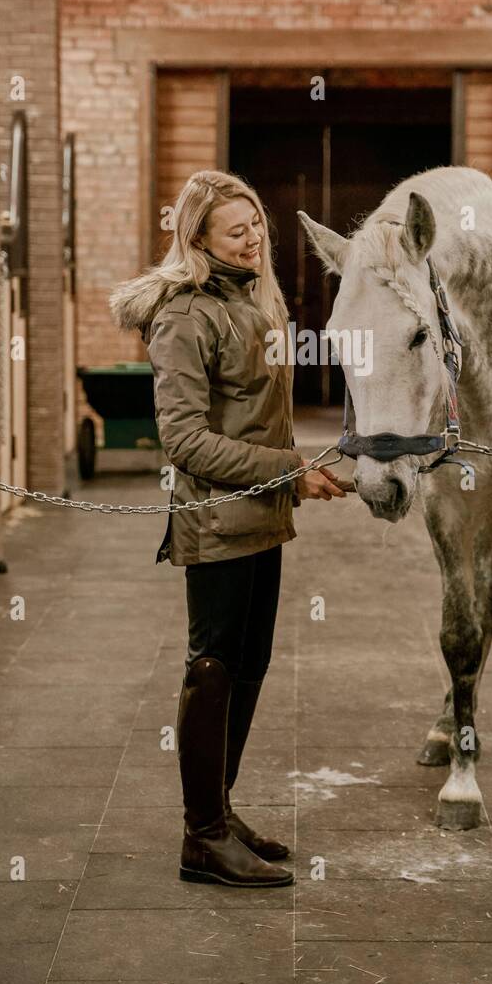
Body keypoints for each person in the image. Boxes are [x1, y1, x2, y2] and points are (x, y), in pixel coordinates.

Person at [109, 170, 348, 888]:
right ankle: (202, 837)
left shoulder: (251, 298)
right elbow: (183, 439)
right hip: (216, 521)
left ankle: (220, 808)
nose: (253, 242)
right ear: (198, 240)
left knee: (249, 666)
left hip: (262, 518)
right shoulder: (186, 315)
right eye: (235, 233)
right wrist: (288, 468)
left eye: (257, 229)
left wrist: (295, 475)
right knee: (212, 668)